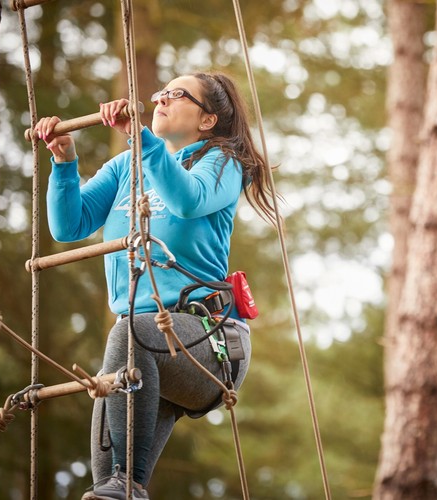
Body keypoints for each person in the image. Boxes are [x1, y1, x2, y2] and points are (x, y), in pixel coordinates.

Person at [34, 72, 276, 500]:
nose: (161, 99)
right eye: (159, 91)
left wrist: (142, 143)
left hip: (209, 341)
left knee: (130, 335)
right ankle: (127, 486)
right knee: (107, 489)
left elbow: (187, 200)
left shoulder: (223, 163)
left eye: (176, 95)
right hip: (146, 348)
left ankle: (128, 482)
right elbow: (69, 227)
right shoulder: (126, 167)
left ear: (207, 120)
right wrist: (64, 163)